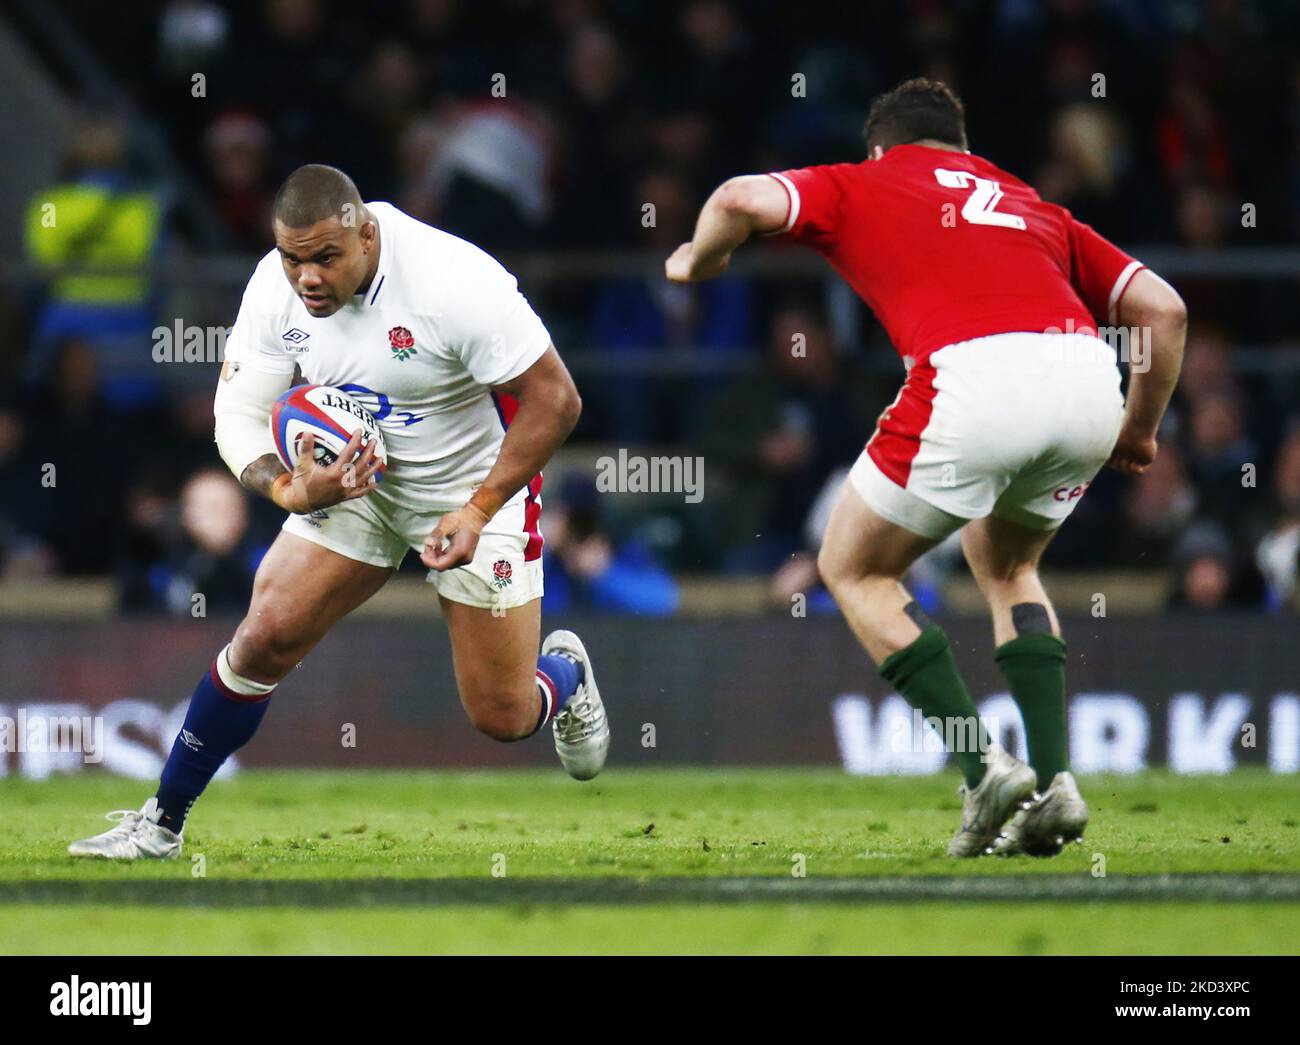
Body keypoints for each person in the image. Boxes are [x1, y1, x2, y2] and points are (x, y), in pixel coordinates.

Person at [667, 78, 1186, 858]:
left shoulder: (861, 181)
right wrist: (1139, 427)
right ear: (964, 149)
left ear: (882, 147)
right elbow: (1164, 310)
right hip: (1086, 375)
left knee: (852, 567)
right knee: (1006, 563)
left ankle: (983, 769)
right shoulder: (1028, 202)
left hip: (971, 377)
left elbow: (740, 197)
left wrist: (697, 257)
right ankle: (1055, 782)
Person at [69, 165, 607, 859]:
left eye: (326, 257)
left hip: (470, 482)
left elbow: (557, 401)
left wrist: (479, 508)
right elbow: (237, 413)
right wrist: (289, 491)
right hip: (353, 479)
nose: (308, 277)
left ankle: (565, 674)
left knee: (502, 716)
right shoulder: (274, 286)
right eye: (295, 258)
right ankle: (161, 823)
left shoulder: (454, 281)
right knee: (265, 634)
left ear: (367, 235)